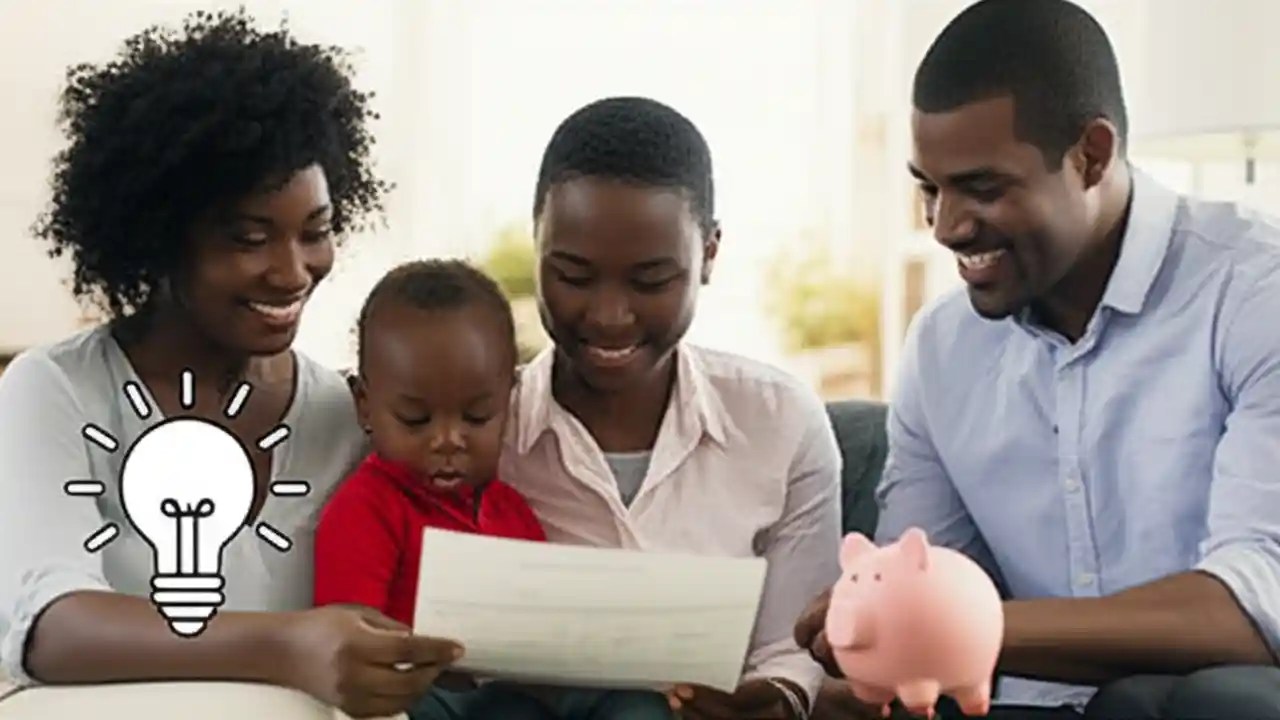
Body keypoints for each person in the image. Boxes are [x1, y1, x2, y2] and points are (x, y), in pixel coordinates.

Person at [793, 1, 1280, 719]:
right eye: (930, 189)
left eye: (983, 189)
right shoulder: (942, 348)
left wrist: (948, 626)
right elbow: (911, 594)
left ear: (1091, 154)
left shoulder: (1251, 295)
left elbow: (1252, 611)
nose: (947, 228)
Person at [0, 10, 466, 719]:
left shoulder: (350, 416)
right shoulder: (55, 389)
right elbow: (53, 630)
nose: (291, 272)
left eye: (316, 232)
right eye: (249, 238)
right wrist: (288, 646)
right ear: (158, 238)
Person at [499, 96, 842, 720]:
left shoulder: (781, 424)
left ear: (709, 254)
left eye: (651, 281)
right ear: (538, 245)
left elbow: (790, 652)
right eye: (573, 276)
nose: (608, 316)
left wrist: (781, 698)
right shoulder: (478, 430)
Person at [313, 259, 552, 720]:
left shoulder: (513, 510)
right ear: (365, 404)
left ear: (511, 398)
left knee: (630, 703)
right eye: (415, 420)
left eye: (477, 417)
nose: (447, 440)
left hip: (507, 695)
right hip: (418, 697)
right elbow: (352, 644)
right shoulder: (367, 509)